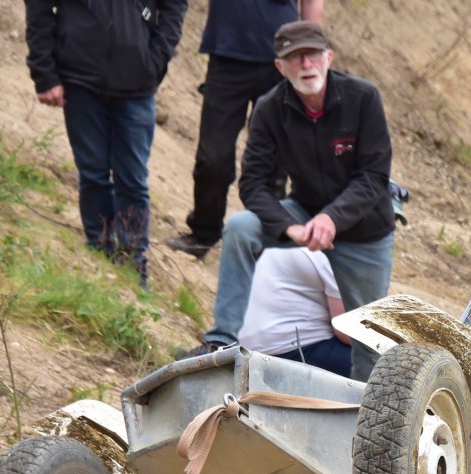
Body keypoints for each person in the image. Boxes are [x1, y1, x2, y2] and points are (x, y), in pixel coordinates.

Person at [188, 20, 395, 383]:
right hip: (303, 211)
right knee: (240, 227)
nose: (306, 64)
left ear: (329, 58)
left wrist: (331, 218)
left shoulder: (363, 97)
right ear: (280, 67)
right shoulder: (270, 108)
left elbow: (374, 176)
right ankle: (221, 340)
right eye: (295, 58)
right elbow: (253, 182)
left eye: (312, 54)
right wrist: (288, 227)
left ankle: (364, 411)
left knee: (367, 341)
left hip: (366, 232)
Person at [24, 0, 189, 287]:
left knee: (133, 179)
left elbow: (175, 6)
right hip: (79, 75)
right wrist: (44, 72)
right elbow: (38, 7)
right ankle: (98, 253)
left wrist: (155, 60)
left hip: (137, 82)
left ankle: (131, 262)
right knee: (93, 173)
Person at [164, 0, 325, 260]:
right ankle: (203, 233)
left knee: (273, 168)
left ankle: (266, 246)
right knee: (212, 159)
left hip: (282, 59)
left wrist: (311, 54)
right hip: (227, 53)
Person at [237, 246, 351, 376]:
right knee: (368, 366)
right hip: (287, 349)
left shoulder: (290, 238)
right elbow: (347, 333)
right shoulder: (336, 255)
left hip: (247, 346)